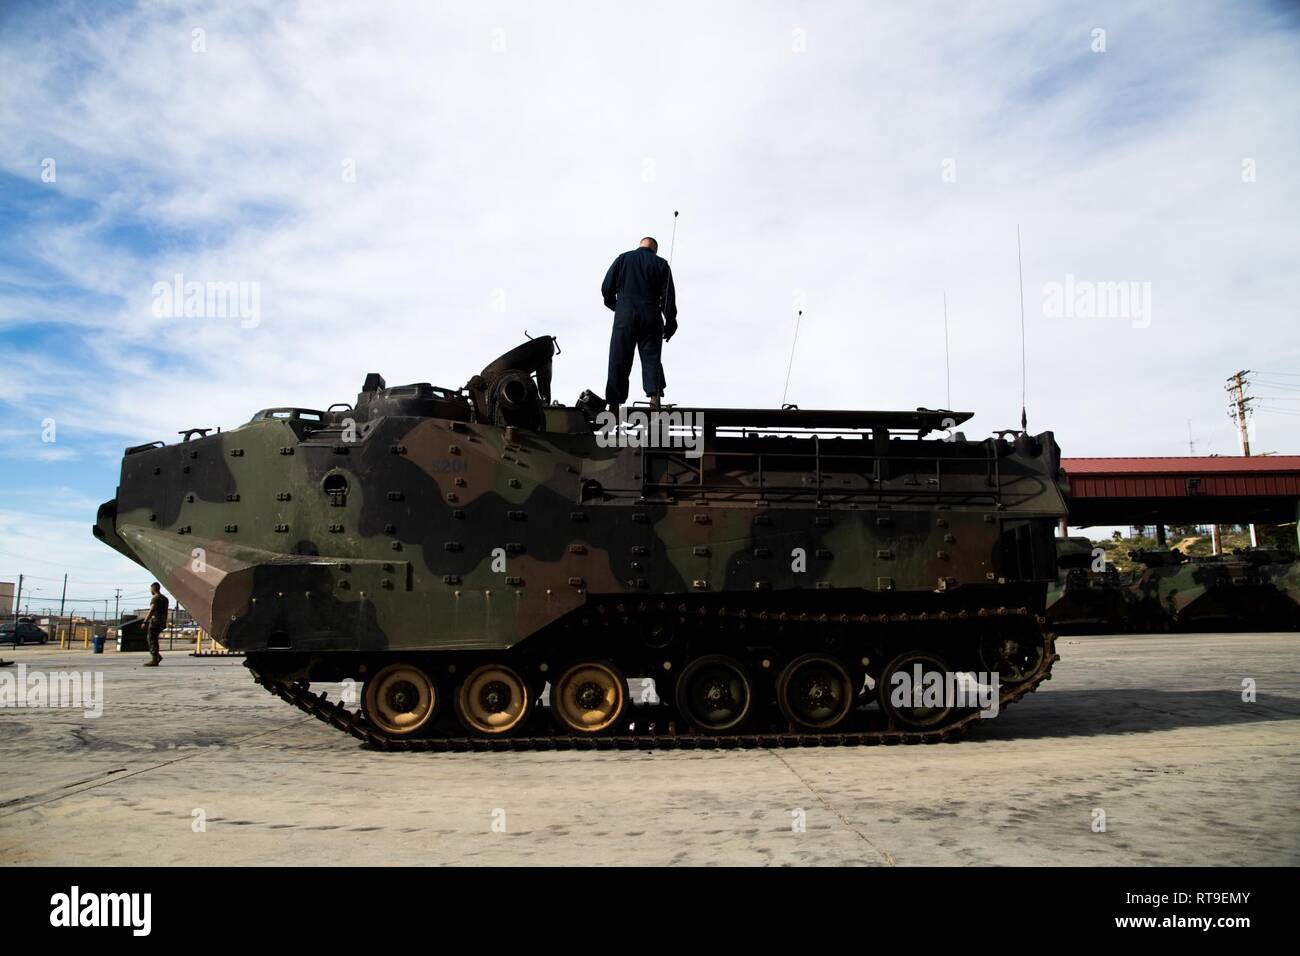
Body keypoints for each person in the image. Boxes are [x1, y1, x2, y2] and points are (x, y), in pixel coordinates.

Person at [602, 236, 677, 411]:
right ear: (655, 250)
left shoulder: (623, 258)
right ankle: (654, 397)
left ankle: (614, 403)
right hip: (651, 315)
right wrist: (671, 323)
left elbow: (606, 288)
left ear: (640, 245)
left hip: (624, 315)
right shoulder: (661, 264)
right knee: (652, 357)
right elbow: (668, 299)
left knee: (619, 357)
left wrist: (617, 306)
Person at [142, 582, 169, 666]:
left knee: (151, 639)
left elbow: (151, 610)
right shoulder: (165, 598)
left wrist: (145, 621)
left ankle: (154, 660)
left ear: (153, 589)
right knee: (154, 639)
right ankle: (157, 656)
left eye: (151, 589)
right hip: (162, 621)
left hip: (155, 621)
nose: (150, 591)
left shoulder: (155, 598)